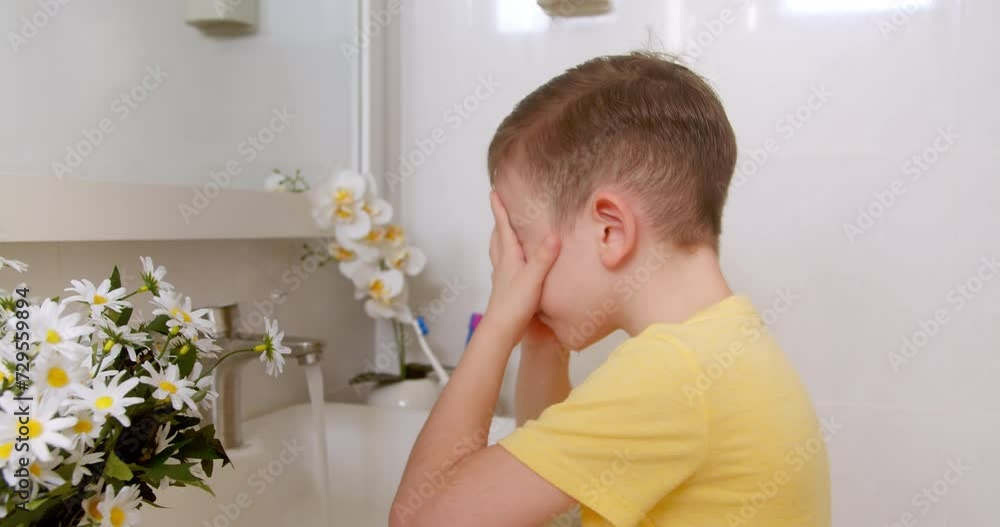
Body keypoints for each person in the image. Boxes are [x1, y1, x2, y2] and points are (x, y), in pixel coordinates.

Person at [390, 51, 831, 527]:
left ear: (610, 230)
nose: (515, 273)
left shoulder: (672, 373)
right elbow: (558, 497)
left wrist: (497, 323)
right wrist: (541, 345)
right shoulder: (720, 348)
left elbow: (417, 521)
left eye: (522, 243)